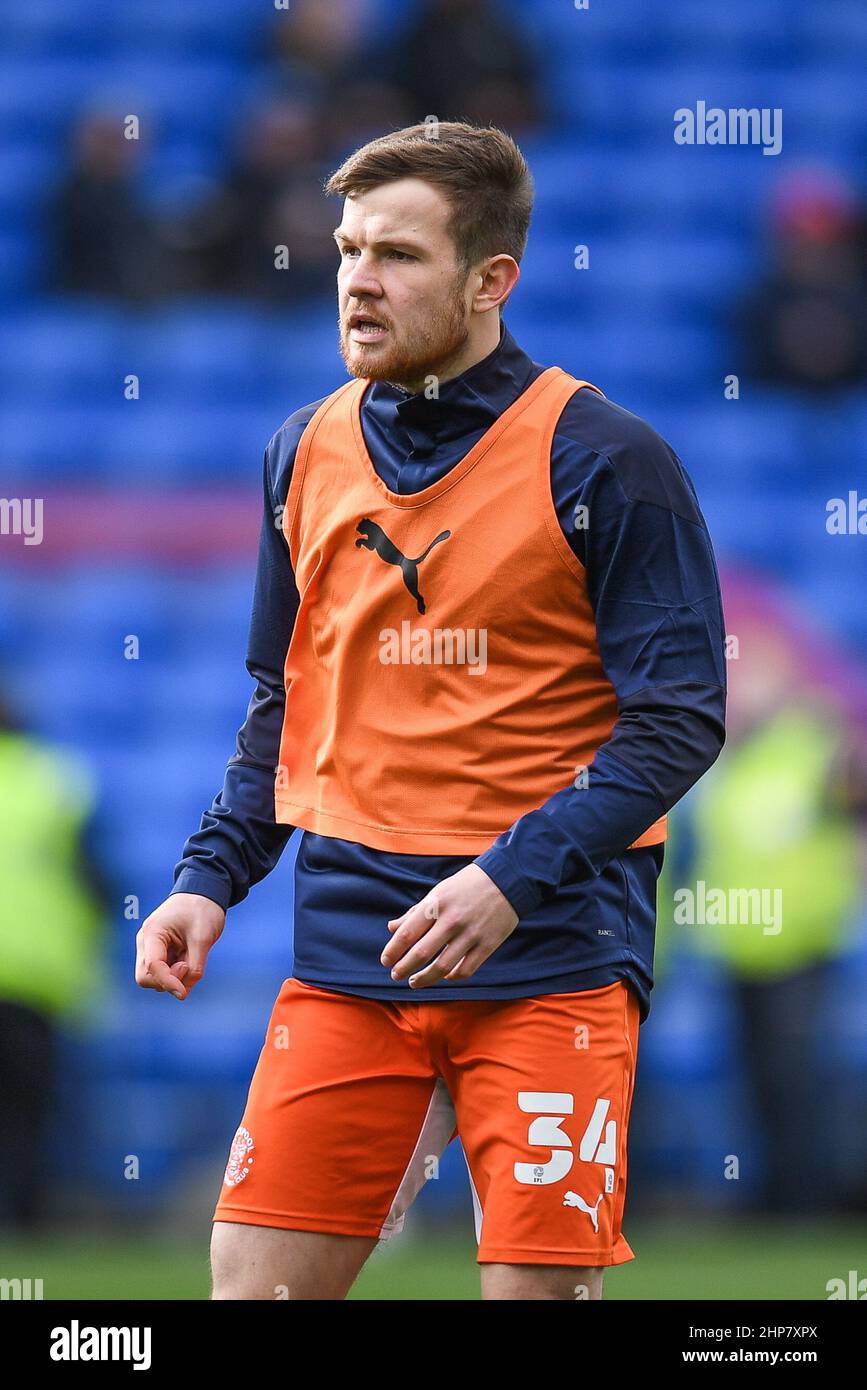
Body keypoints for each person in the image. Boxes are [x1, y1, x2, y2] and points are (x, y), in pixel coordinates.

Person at [136, 122, 726, 1300]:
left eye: (399, 255)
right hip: (355, 952)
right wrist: (209, 877)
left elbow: (679, 719)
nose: (357, 277)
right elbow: (289, 703)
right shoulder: (301, 451)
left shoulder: (606, 459)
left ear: (490, 279)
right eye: (349, 249)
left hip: (552, 949)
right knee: (251, 1293)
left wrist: (510, 877)